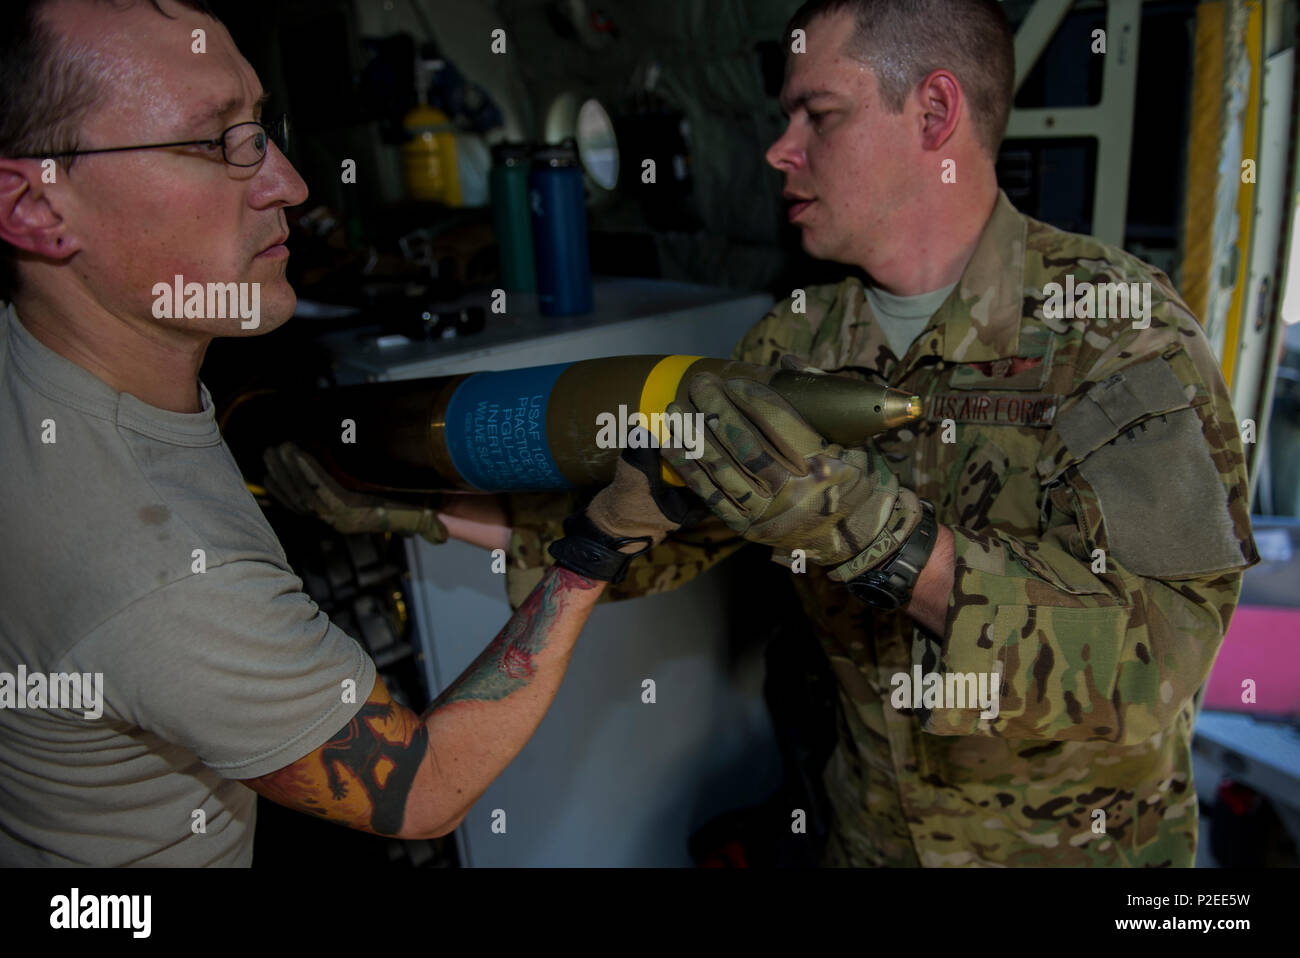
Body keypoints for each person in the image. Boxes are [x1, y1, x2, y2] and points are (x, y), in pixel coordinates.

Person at [510, 0, 1260, 867]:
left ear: (935, 113)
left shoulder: (1119, 330)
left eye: (817, 115)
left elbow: (1154, 666)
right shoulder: (798, 340)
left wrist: (873, 534)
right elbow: (673, 534)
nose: (778, 150)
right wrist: (415, 508)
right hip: (872, 840)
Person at [0, 0, 689, 866]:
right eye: (215, 141)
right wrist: (591, 553)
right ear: (34, 208)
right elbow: (421, 788)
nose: (287, 181)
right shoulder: (157, 572)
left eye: (262, 127)